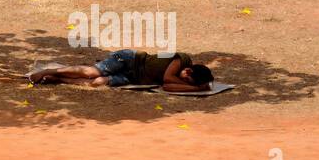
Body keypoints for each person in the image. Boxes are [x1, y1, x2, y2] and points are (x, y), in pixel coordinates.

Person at [27, 49, 213, 91]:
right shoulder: (182, 59)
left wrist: (196, 89)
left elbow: (168, 87)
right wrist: (193, 87)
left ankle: (58, 78)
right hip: (128, 60)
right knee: (93, 72)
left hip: (133, 78)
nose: (181, 82)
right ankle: (48, 71)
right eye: (186, 80)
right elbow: (168, 79)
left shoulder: (185, 77)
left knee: (97, 83)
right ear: (188, 71)